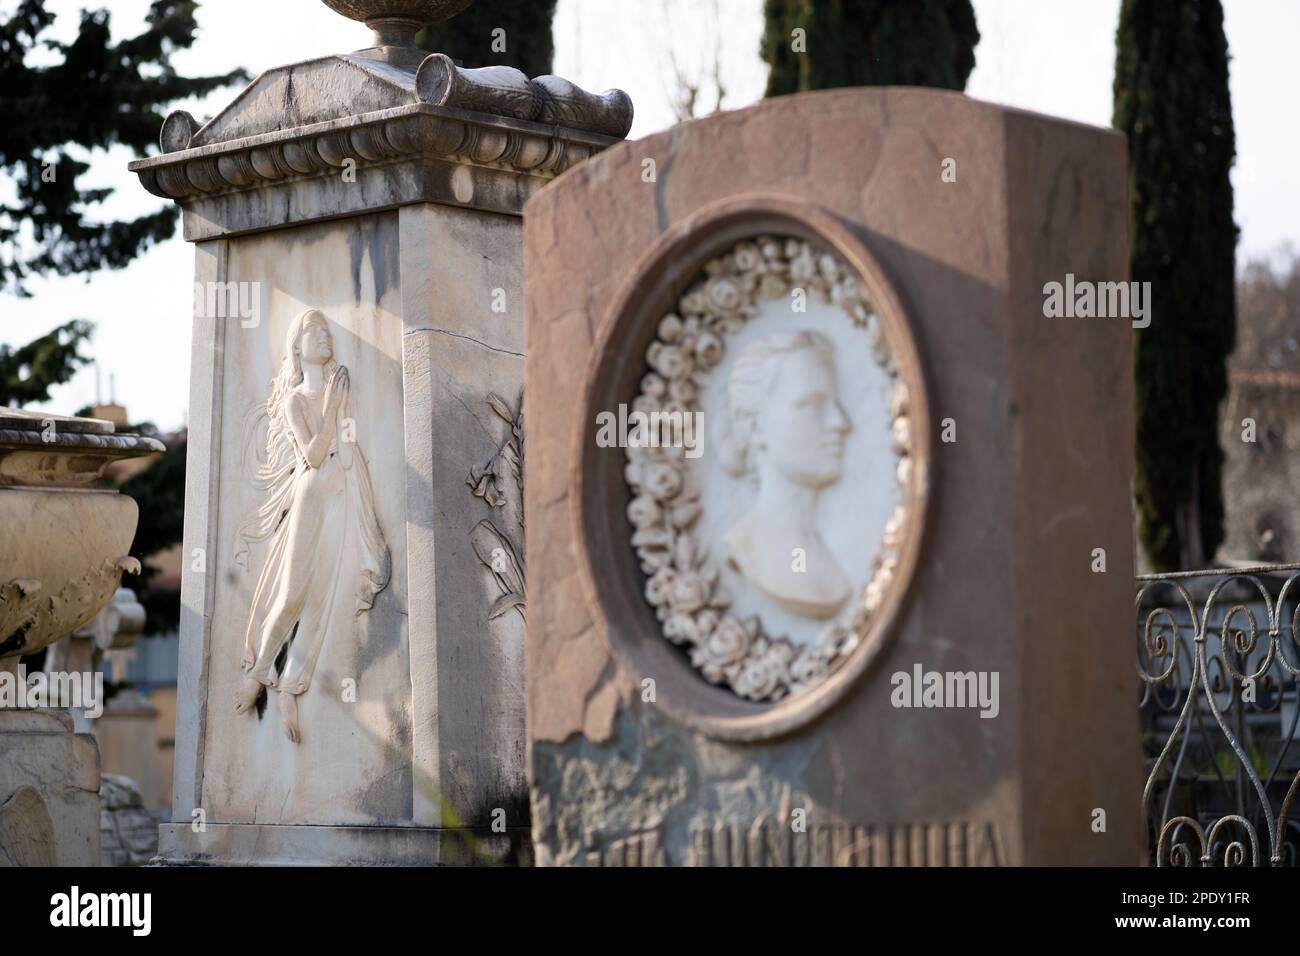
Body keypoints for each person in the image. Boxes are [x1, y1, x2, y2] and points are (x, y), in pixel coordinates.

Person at [232, 308, 390, 742]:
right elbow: (314, 456)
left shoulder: (343, 387)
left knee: (319, 603)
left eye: (325, 330)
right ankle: (259, 672)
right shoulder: (297, 399)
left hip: (340, 498)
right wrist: (334, 406)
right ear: (297, 348)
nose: (323, 337)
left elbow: (345, 449)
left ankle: (291, 688)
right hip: (312, 498)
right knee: (291, 594)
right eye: (312, 331)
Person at [720, 330, 852, 620]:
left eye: (836, 404)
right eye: (813, 404)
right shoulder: (749, 548)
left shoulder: (828, 551)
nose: (840, 423)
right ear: (755, 427)